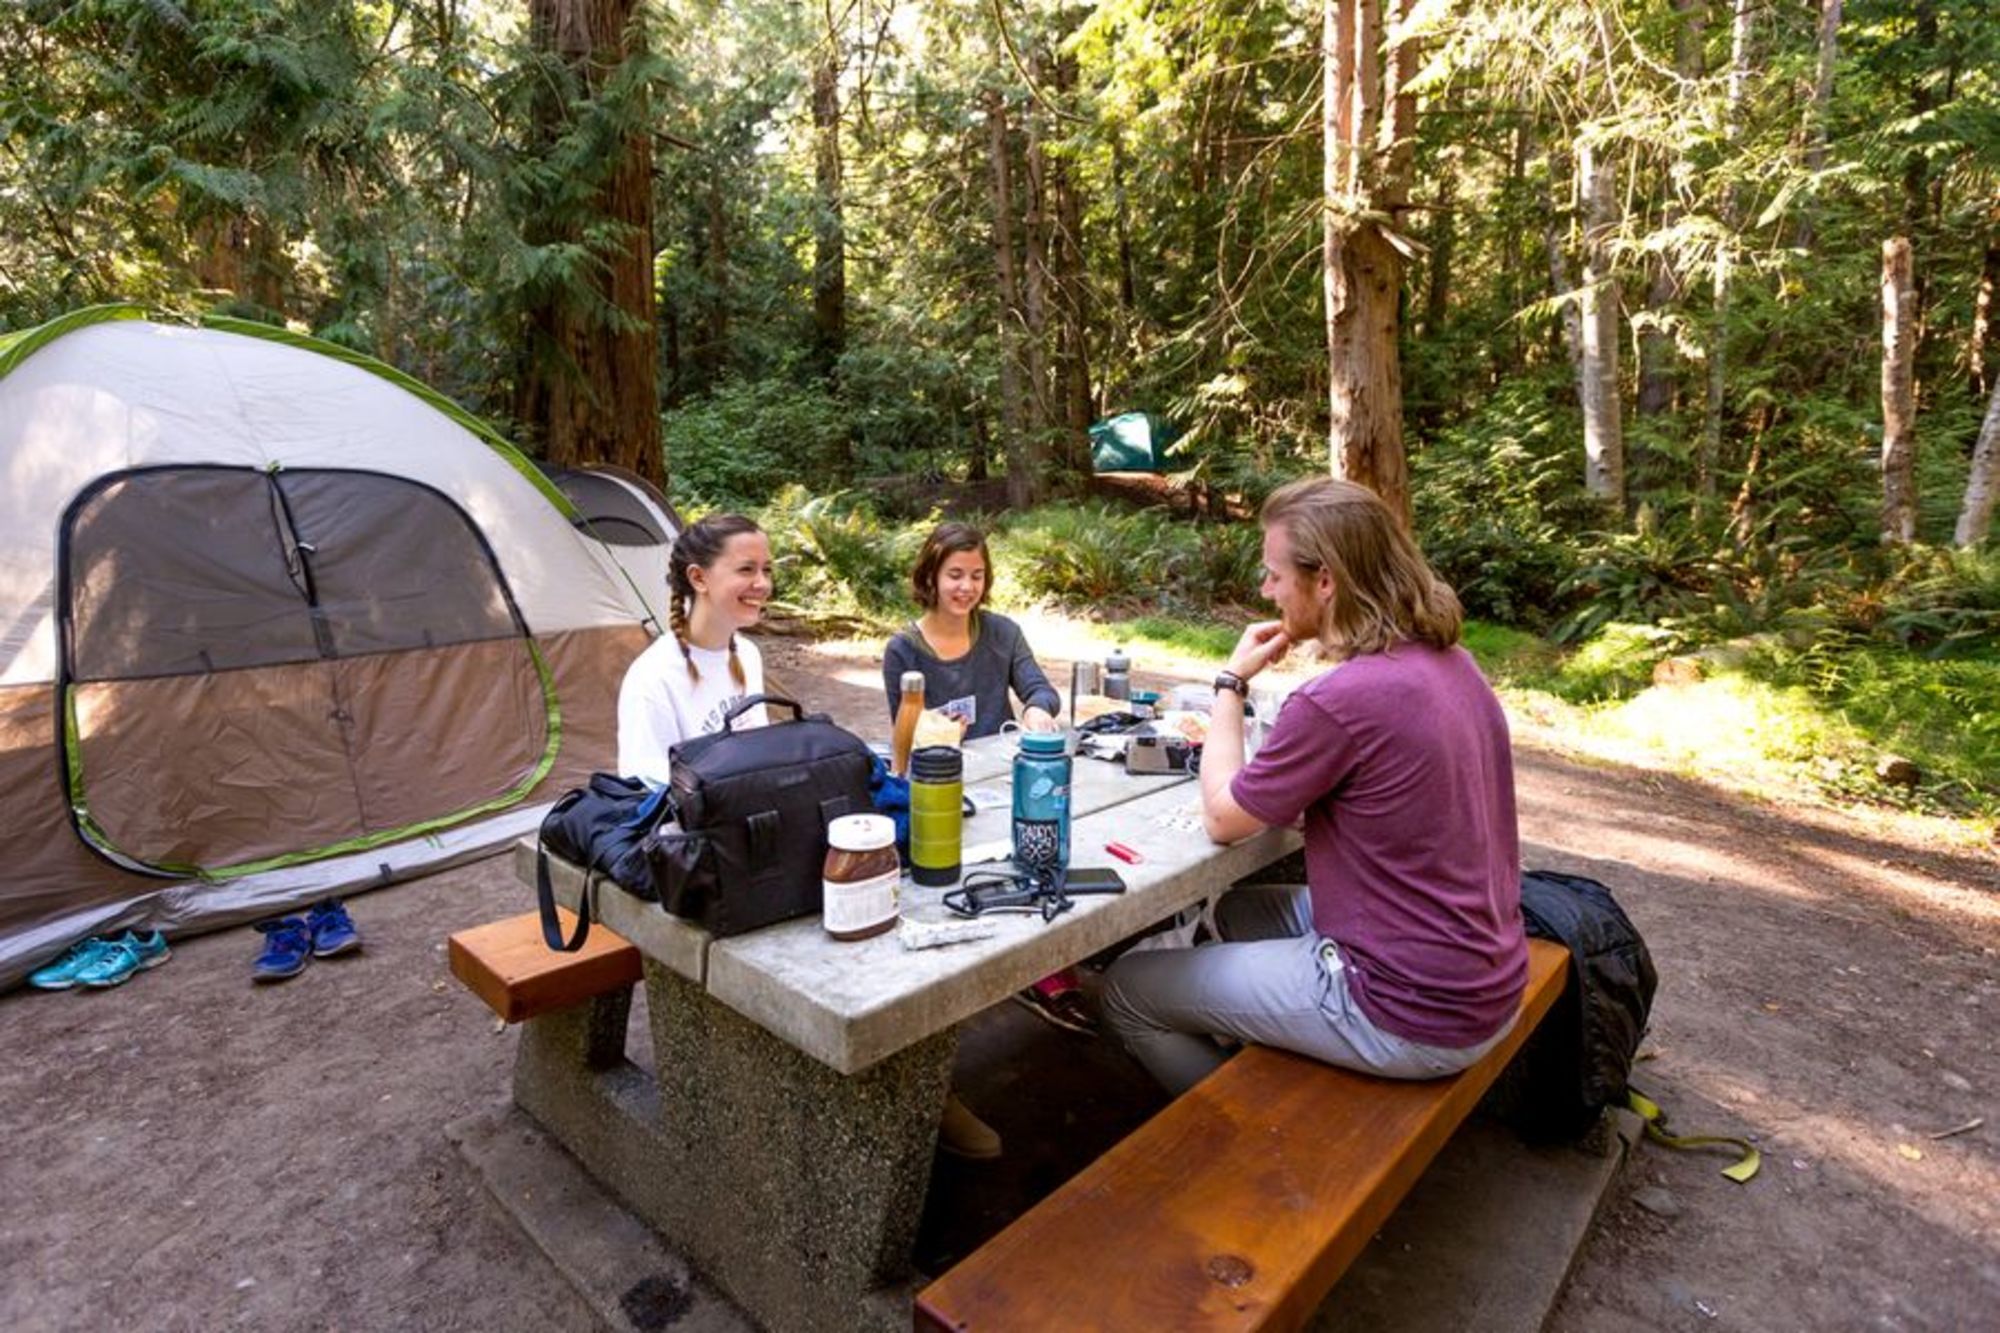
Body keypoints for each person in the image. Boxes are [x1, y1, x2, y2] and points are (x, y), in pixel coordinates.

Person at [1101, 477, 1529, 1096]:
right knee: (1235, 911)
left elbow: (1224, 818)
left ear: (1324, 580)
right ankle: (1271, 1047)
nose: (1265, 589)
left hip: (1406, 1006)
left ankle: (1246, 1141)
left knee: (1127, 989)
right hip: (1481, 973)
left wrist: (1230, 682)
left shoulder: (1341, 699)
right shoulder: (1452, 662)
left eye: (1275, 574)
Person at [882, 522, 1084, 1159]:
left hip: (1004, 778)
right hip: (939, 790)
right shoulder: (903, 649)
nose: (966, 587)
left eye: (976, 575)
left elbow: (1039, 687)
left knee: (1042, 845)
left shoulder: (1001, 633)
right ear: (931, 577)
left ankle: (1047, 966)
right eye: (954, 575)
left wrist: (1036, 712)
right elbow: (903, 740)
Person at [619, 513, 773, 785]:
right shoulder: (653, 677)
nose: (762, 584)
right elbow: (644, 783)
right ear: (698, 578)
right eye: (746, 569)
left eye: (767, 570)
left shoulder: (747, 655)